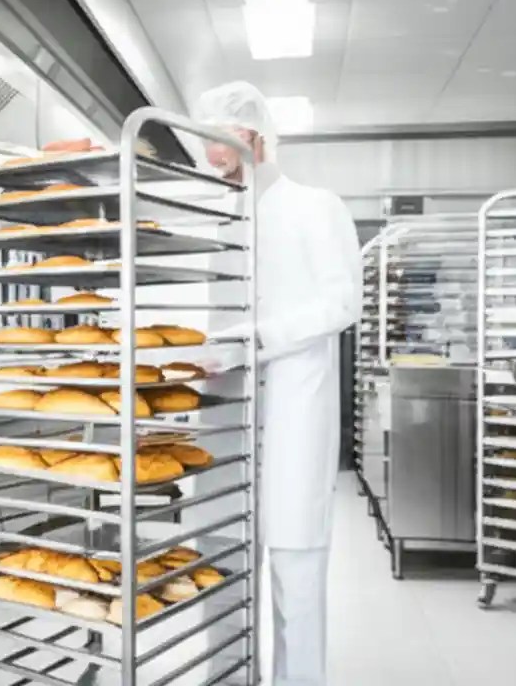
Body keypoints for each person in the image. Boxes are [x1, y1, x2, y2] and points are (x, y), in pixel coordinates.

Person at [194, 81, 363, 686]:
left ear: (255, 134)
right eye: (204, 142)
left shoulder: (314, 206)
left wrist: (255, 339)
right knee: (220, 569)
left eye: (223, 139)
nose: (213, 156)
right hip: (224, 419)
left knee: (296, 572)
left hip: (295, 409)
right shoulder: (217, 221)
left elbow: (342, 302)